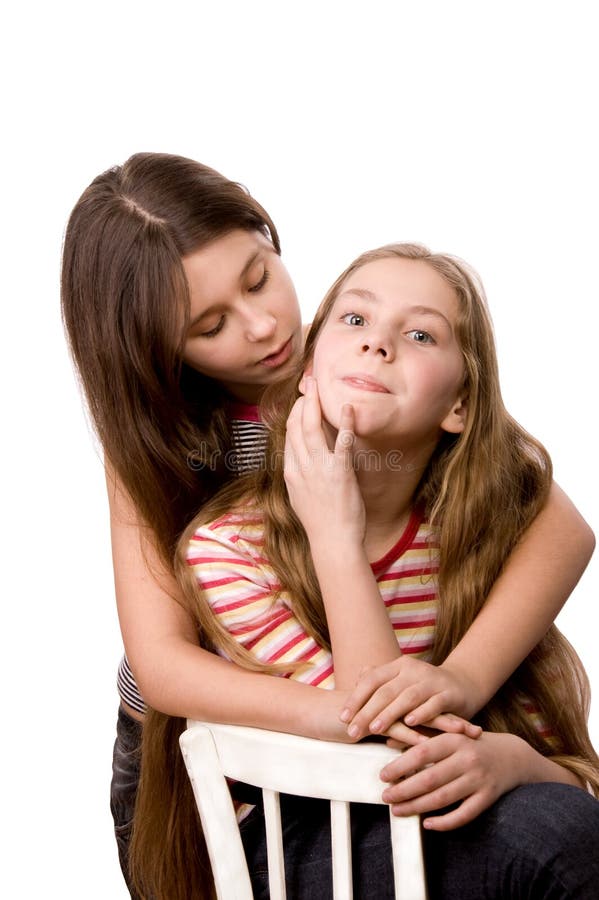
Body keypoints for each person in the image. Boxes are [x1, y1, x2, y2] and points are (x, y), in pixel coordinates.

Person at [61, 156, 594, 897]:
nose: (264, 326)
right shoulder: (163, 442)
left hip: (372, 701)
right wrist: (353, 715)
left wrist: (458, 685)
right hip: (204, 748)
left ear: (260, 221)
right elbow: (164, 666)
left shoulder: (360, 354)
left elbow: (557, 526)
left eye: (257, 278)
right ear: (156, 349)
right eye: (211, 325)